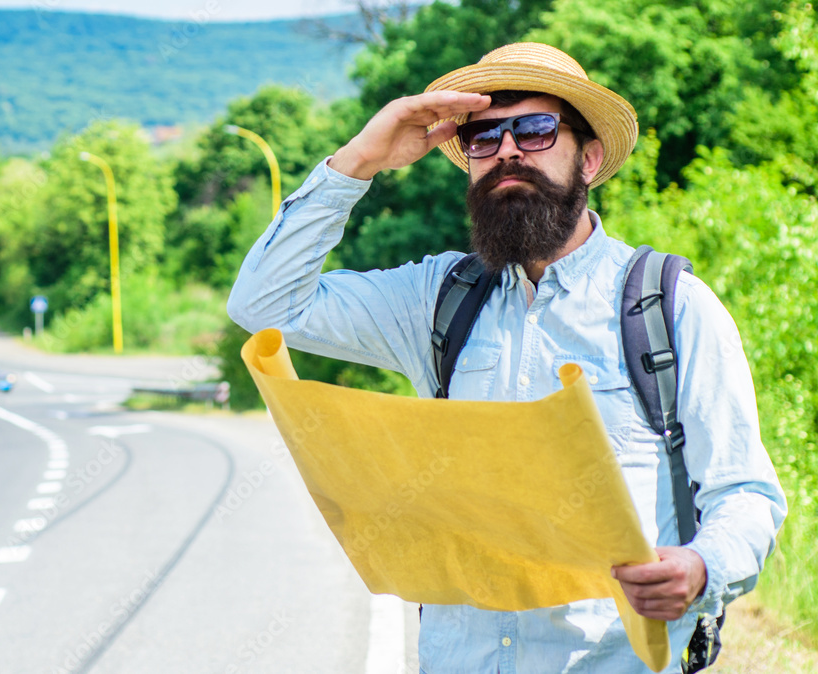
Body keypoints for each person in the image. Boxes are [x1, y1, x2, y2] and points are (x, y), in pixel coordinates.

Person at [227, 42, 787, 673]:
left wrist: (701, 566)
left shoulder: (668, 306)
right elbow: (264, 302)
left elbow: (745, 493)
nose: (508, 151)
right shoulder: (435, 302)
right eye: (484, 137)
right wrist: (360, 160)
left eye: (536, 129)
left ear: (590, 157)